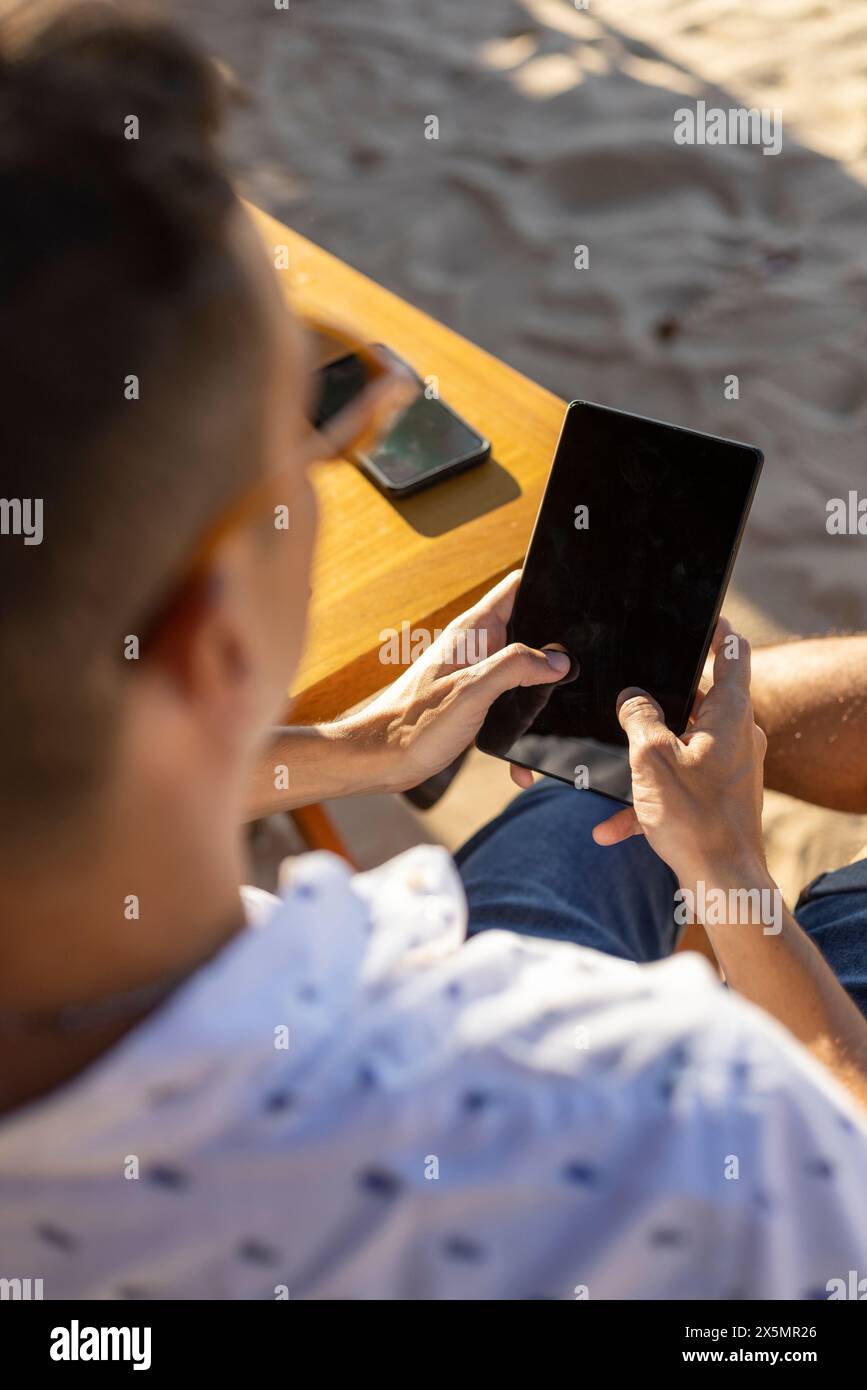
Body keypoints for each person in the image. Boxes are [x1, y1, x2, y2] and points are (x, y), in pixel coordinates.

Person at [0, 4, 865, 1301]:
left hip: (373, 997)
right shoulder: (688, 1123)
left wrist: (362, 749)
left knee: (597, 782)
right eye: (313, 429)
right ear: (218, 636)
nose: (351, 421)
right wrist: (738, 882)